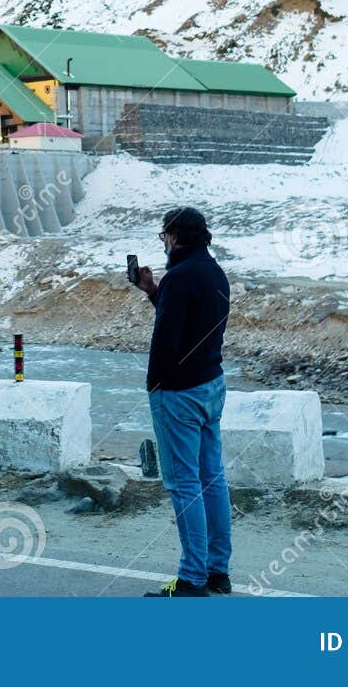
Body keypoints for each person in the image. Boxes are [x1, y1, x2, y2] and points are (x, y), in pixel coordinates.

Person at [135, 205, 232, 598]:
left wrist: (154, 385)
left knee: (183, 482)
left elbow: (167, 340)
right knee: (212, 478)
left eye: (164, 237)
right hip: (212, 384)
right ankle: (216, 571)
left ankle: (191, 577)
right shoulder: (214, 273)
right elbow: (190, 324)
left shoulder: (180, 277)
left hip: (178, 393)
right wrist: (154, 292)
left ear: (175, 236)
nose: (164, 244)